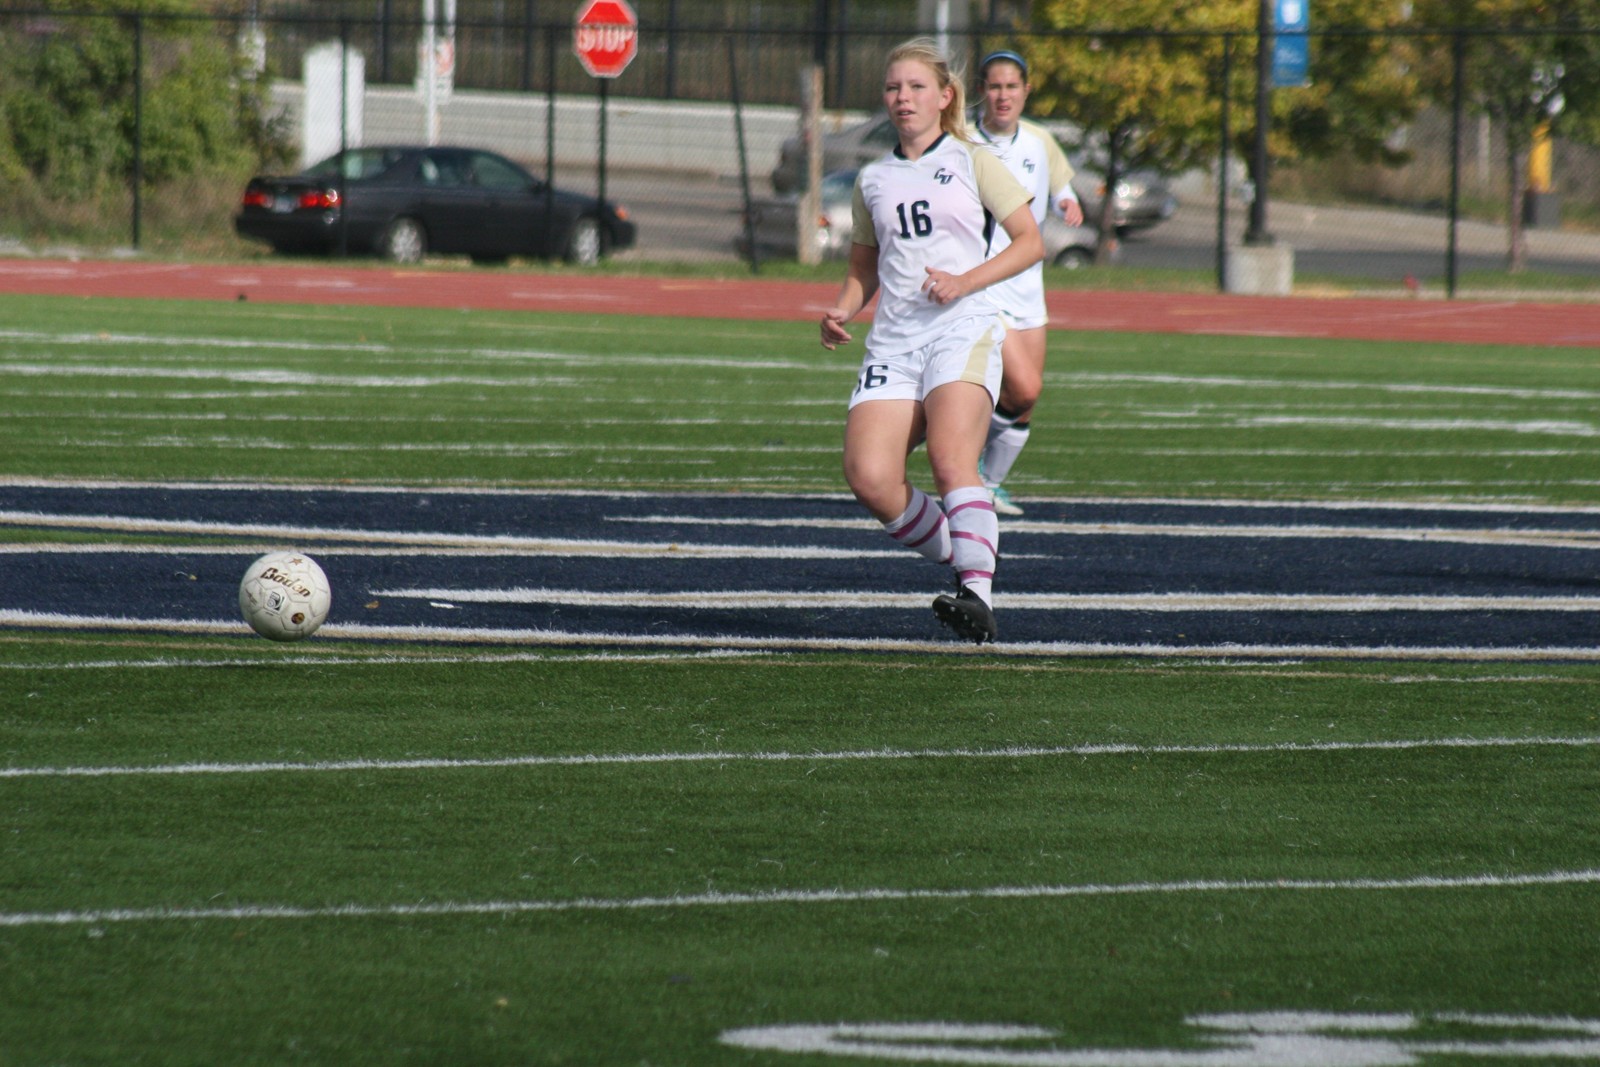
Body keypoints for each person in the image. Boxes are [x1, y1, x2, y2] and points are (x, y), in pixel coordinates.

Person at [820, 37, 1043, 645]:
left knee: (952, 459)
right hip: (893, 343)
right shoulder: (873, 178)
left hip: (961, 330)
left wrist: (966, 281)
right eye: (893, 88)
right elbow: (864, 269)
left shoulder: (974, 160)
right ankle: (970, 550)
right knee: (869, 475)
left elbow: (1029, 240)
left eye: (916, 87)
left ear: (945, 97)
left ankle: (977, 592)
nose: (902, 98)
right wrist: (841, 310)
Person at [971, 49, 1084, 517]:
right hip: (983, 284)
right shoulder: (963, 142)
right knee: (1024, 388)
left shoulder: (1039, 140)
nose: (1003, 96)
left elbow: (1062, 186)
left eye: (1011, 87)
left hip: (1028, 288)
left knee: (1023, 402)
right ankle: (964, 466)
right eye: (994, 86)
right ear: (982, 90)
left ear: (1026, 91)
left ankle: (988, 485)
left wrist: (1068, 202)